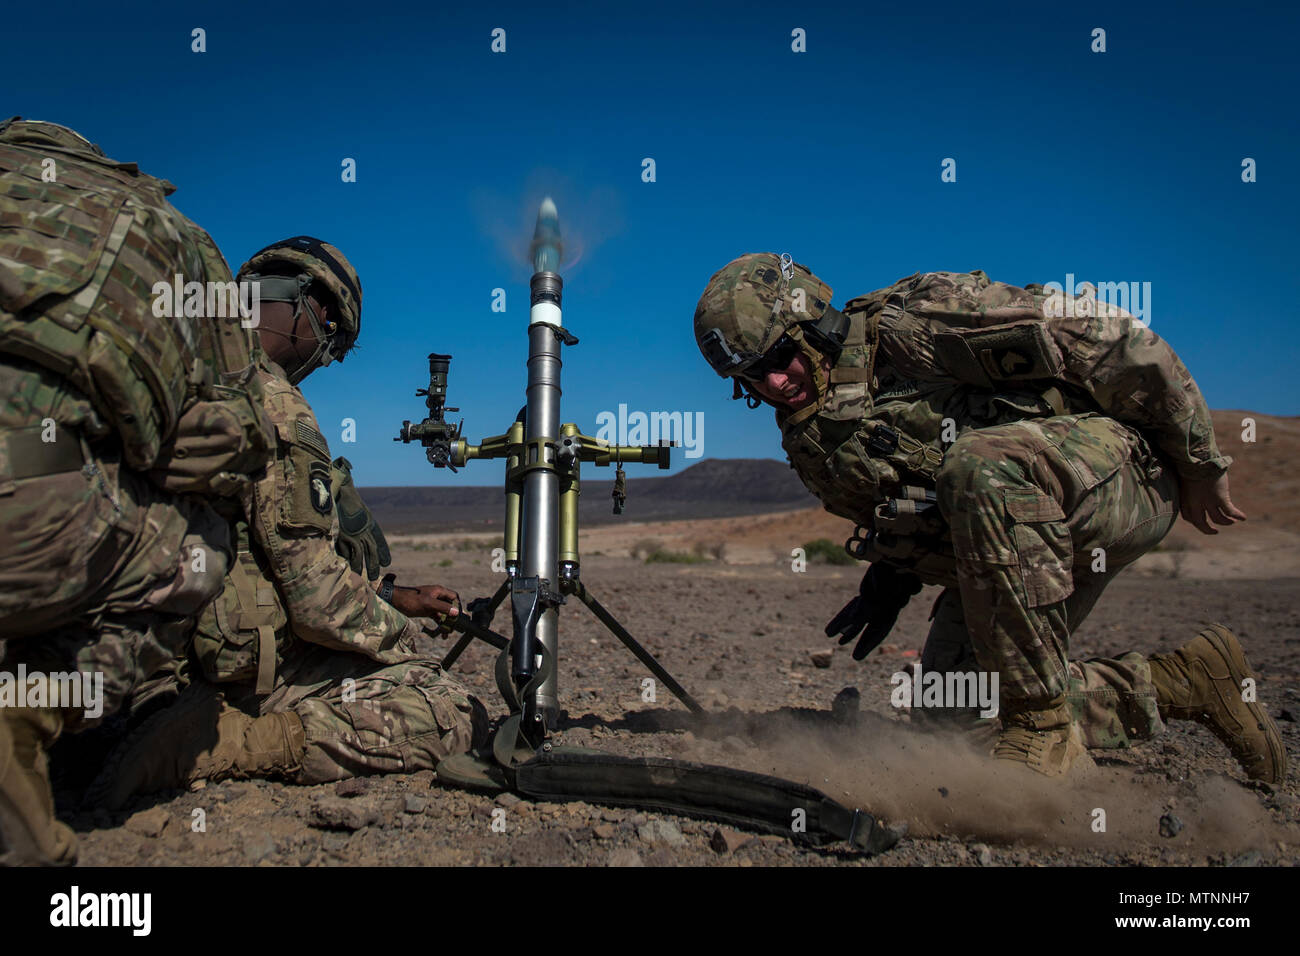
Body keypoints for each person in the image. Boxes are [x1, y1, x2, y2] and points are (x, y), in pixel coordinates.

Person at [694, 253, 1286, 781]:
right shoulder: (814, 431)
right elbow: (916, 497)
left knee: (981, 465)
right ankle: (1190, 682)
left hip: (1118, 479)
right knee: (954, 717)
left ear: (813, 321)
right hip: (1019, 544)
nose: (772, 383)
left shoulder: (918, 321)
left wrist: (1200, 460)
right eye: (749, 374)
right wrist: (892, 577)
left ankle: (1043, 731)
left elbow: (1115, 341)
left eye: (779, 356)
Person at [91, 237, 487, 809]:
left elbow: (254, 548)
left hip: (124, 656)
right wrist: (402, 642)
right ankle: (233, 741)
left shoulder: (171, 374)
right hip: (208, 672)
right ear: (313, 307)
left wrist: (395, 595)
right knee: (451, 710)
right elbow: (317, 602)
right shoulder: (272, 400)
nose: (323, 358)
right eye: (330, 341)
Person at [0, 118, 276, 864]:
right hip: (29, 494)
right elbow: (234, 432)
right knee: (200, 544)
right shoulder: (165, 229)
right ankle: (27, 709)